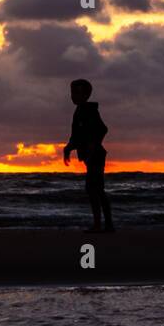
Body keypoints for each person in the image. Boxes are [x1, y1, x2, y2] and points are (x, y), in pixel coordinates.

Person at [63, 78, 114, 233]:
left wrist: (92, 146)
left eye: (76, 93)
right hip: (90, 156)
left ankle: (102, 225)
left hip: (96, 155)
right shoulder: (79, 111)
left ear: (85, 94)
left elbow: (102, 129)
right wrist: (68, 148)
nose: (72, 96)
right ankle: (104, 224)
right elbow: (77, 135)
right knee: (96, 190)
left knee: (95, 190)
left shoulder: (89, 110)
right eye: (71, 93)